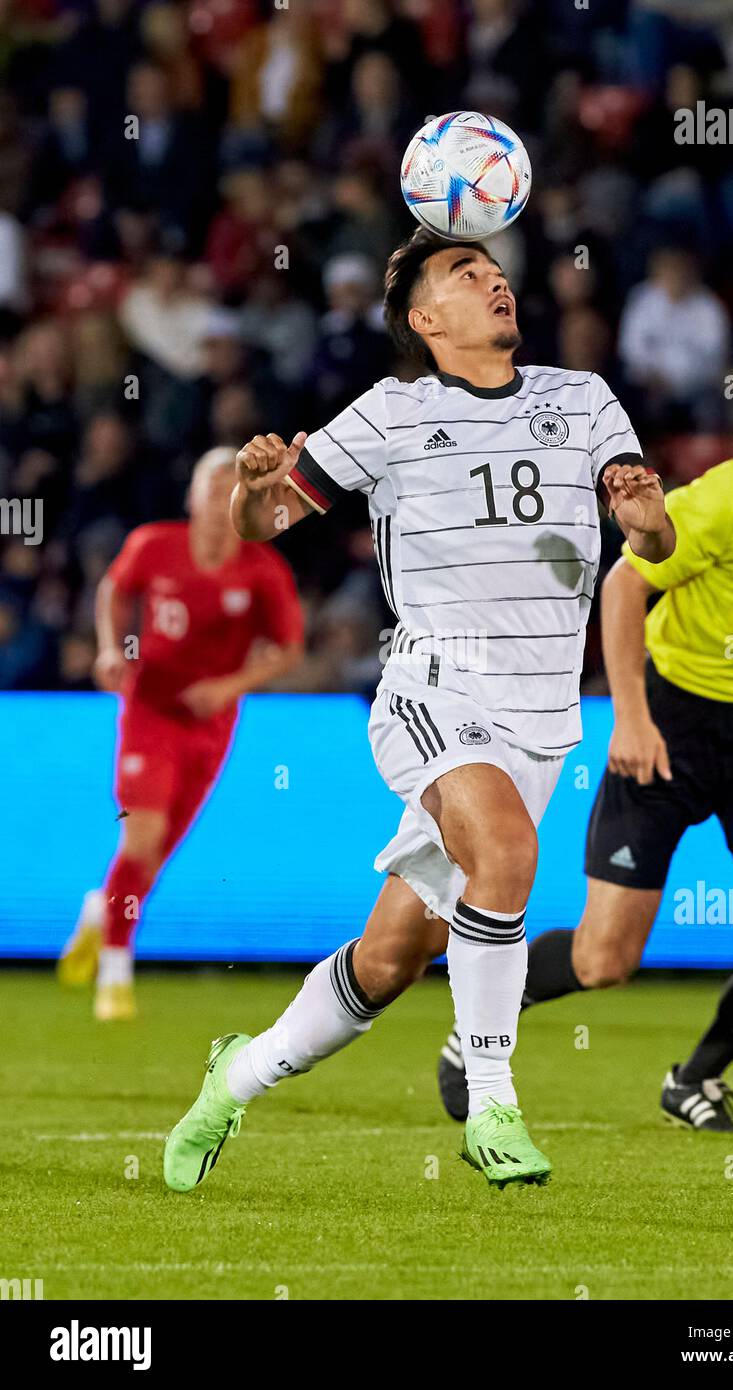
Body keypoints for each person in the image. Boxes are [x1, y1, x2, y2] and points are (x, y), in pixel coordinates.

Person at [163, 227, 674, 1195]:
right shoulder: (393, 412)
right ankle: (491, 1101)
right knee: (509, 856)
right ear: (423, 320)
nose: (492, 282)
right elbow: (264, 524)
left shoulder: (584, 398)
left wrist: (645, 515)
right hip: (431, 688)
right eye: (462, 275)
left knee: (392, 955)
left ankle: (234, 1074)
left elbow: (648, 539)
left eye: (492, 270)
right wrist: (252, 487)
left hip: (538, 713)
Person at [438, 335, 733, 1132]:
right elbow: (626, 581)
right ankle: (482, 1016)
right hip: (669, 713)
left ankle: (694, 1079)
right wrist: (630, 718)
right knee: (606, 960)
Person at [57, 446, 304, 1019]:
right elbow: (114, 590)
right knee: (140, 840)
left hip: (212, 724)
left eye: (230, 490)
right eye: (211, 489)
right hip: (151, 709)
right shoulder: (154, 545)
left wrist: (232, 685)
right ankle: (115, 973)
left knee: (158, 850)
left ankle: (102, 909)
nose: (220, 502)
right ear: (191, 497)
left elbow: (289, 649)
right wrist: (110, 649)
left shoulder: (262, 568)